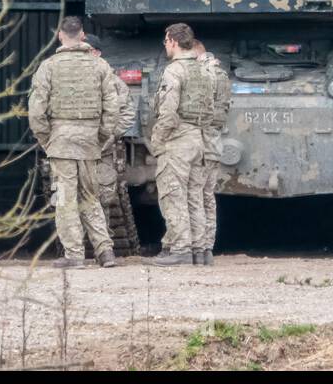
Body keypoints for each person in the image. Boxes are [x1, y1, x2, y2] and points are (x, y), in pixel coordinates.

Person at [28, 17, 120, 269]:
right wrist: (101, 136)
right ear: (82, 35)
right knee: (90, 196)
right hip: (90, 141)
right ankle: (105, 252)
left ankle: (74, 254)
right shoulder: (100, 66)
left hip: (61, 141)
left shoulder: (48, 67)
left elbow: (36, 111)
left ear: (60, 35)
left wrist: (47, 140)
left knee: (65, 198)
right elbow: (112, 108)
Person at [147, 23, 217, 266]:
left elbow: (168, 113)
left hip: (178, 140)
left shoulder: (174, 71)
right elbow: (211, 109)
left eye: (166, 41)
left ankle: (180, 250)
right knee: (194, 196)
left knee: (173, 195)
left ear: (174, 42)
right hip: (199, 138)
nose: (165, 46)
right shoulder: (205, 70)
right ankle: (200, 251)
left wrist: (157, 140)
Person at [84, 33, 137, 208]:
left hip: (101, 152)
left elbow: (128, 113)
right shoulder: (64, 76)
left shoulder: (113, 81)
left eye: (87, 50)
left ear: (97, 53)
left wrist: (112, 135)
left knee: (102, 201)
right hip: (71, 150)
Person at [192, 41, 231, 266]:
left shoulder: (198, 74)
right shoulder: (220, 74)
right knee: (207, 197)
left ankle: (193, 247)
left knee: (193, 196)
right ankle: (206, 248)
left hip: (196, 144)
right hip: (213, 144)